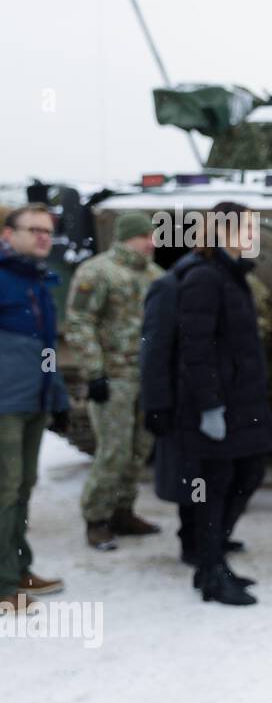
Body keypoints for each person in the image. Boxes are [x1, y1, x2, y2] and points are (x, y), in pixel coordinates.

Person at [174, 202, 272, 605]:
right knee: (215, 488)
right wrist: (209, 406)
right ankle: (211, 571)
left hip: (242, 400)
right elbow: (194, 349)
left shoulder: (234, 277)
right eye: (244, 228)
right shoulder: (204, 278)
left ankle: (211, 559)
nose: (252, 235)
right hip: (218, 403)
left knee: (249, 473)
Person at [64, 211, 164, 550]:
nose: (154, 242)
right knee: (114, 451)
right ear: (130, 236)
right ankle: (97, 518)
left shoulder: (155, 276)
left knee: (139, 450)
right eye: (148, 236)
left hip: (146, 378)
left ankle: (124, 511)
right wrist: (94, 372)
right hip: (113, 379)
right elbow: (79, 321)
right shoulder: (97, 271)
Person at [0, 205, 70, 610]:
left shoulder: (37, 281)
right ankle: (3, 583)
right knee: (5, 490)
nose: (43, 237)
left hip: (33, 400)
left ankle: (17, 566)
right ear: (9, 234)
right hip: (5, 404)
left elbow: (46, 349)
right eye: (34, 230)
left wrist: (56, 396)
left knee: (22, 487)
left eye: (48, 231)